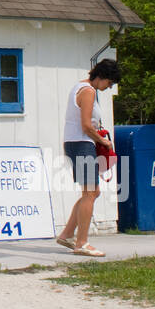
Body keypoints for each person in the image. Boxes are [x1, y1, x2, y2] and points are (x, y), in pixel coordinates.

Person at [55, 58, 122, 258]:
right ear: (102, 77)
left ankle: (67, 234)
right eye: (109, 83)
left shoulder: (79, 87)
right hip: (82, 143)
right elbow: (86, 126)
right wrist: (104, 142)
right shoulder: (88, 91)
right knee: (90, 193)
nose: (108, 87)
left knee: (92, 192)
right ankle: (82, 242)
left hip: (77, 142)